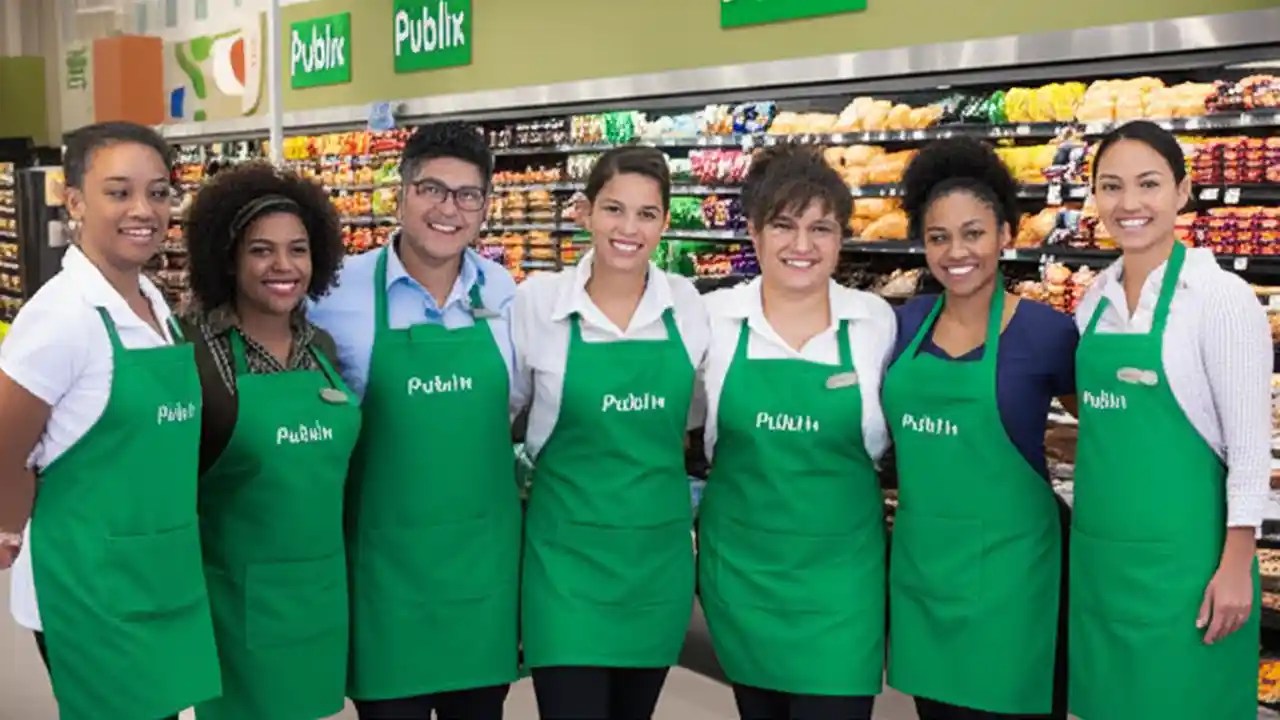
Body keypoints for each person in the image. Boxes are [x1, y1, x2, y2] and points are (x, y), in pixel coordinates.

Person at [0, 121, 220, 719]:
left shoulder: (154, 303)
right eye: (119, 192)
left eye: (158, 192)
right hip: (90, 590)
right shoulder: (61, 317)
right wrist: (8, 529)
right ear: (74, 200)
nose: (143, 210)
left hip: (163, 576)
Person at [309, 121, 521, 720]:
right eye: (431, 188)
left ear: (484, 207)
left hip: (481, 578)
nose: (448, 209)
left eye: (467, 195)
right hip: (385, 582)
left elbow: (518, 410)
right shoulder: (334, 292)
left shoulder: (504, 293)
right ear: (400, 193)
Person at [1070, 120, 1267, 720]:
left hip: (1190, 569)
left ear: (1182, 192)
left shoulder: (1221, 299)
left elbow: (1251, 447)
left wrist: (1237, 565)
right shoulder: (1092, 301)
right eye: (1111, 186)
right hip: (1103, 566)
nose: (1129, 204)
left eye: (1149, 184)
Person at [697, 144, 896, 720]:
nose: (802, 245)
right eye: (783, 226)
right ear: (754, 234)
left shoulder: (873, 323)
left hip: (842, 587)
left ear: (841, 238)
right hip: (744, 577)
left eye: (821, 228)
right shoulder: (713, 319)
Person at [882, 137, 1077, 720]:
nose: (955, 251)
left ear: (1006, 236)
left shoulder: (1047, 333)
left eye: (973, 233)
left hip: (1015, 585)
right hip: (925, 574)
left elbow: (1104, 429)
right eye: (939, 237)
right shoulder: (900, 326)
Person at [511, 146, 708, 720]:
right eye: (614, 209)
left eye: (647, 214)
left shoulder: (690, 308)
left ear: (666, 222)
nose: (629, 228)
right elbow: (506, 408)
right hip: (565, 564)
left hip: (655, 563)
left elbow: (697, 417)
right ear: (586, 212)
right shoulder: (537, 304)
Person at [178, 162, 361, 720]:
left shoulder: (323, 350)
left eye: (298, 249)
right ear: (229, 259)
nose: (283, 266)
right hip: (235, 611)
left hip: (321, 600)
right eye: (261, 250)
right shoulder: (197, 355)